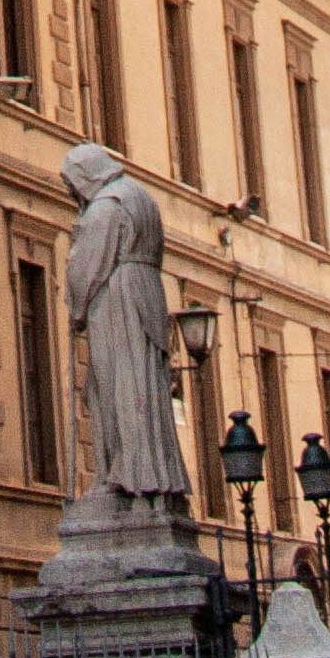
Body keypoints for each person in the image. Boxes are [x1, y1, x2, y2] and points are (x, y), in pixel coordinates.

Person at [60, 146, 195, 506]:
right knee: (145, 386)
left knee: (117, 384)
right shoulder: (141, 198)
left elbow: (87, 266)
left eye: (73, 186)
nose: (73, 195)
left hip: (117, 299)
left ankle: (128, 472)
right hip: (147, 293)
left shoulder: (106, 207)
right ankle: (155, 471)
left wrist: (76, 308)